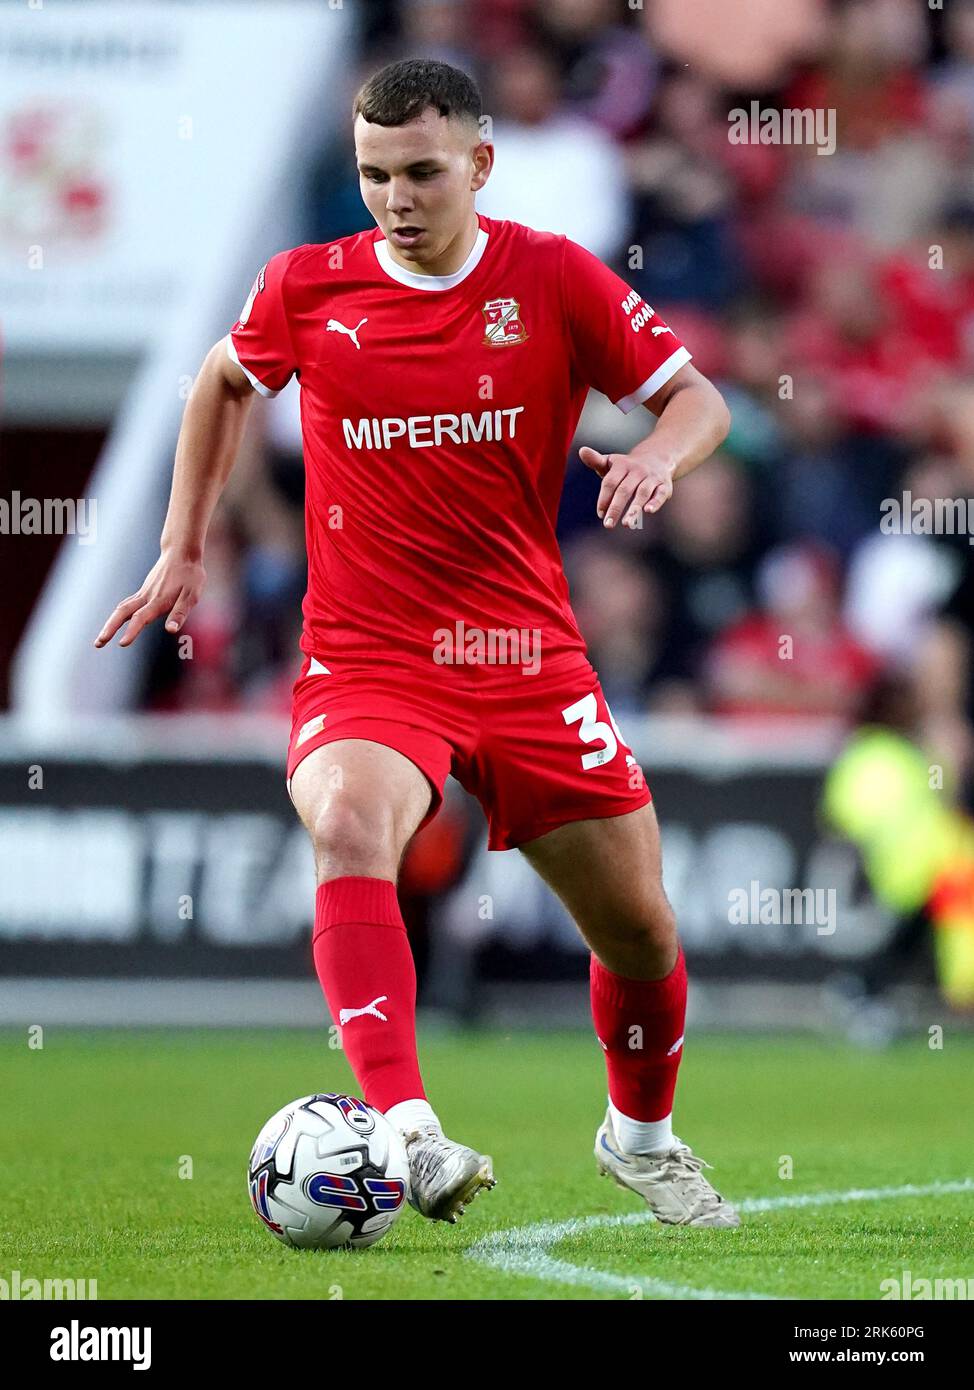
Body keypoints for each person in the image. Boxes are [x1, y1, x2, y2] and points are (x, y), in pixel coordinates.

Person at [95, 58, 737, 1229]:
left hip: (526, 655)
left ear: (479, 166)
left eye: (421, 173)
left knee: (639, 929)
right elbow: (221, 382)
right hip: (369, 653)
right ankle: (406, 1130)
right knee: (347, 820)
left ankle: (640, 1139)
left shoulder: (549, 277)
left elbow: (697, 400)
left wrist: (657, 457)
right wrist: (183, 545)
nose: (394, 198)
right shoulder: (307, 286)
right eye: (373, 175)